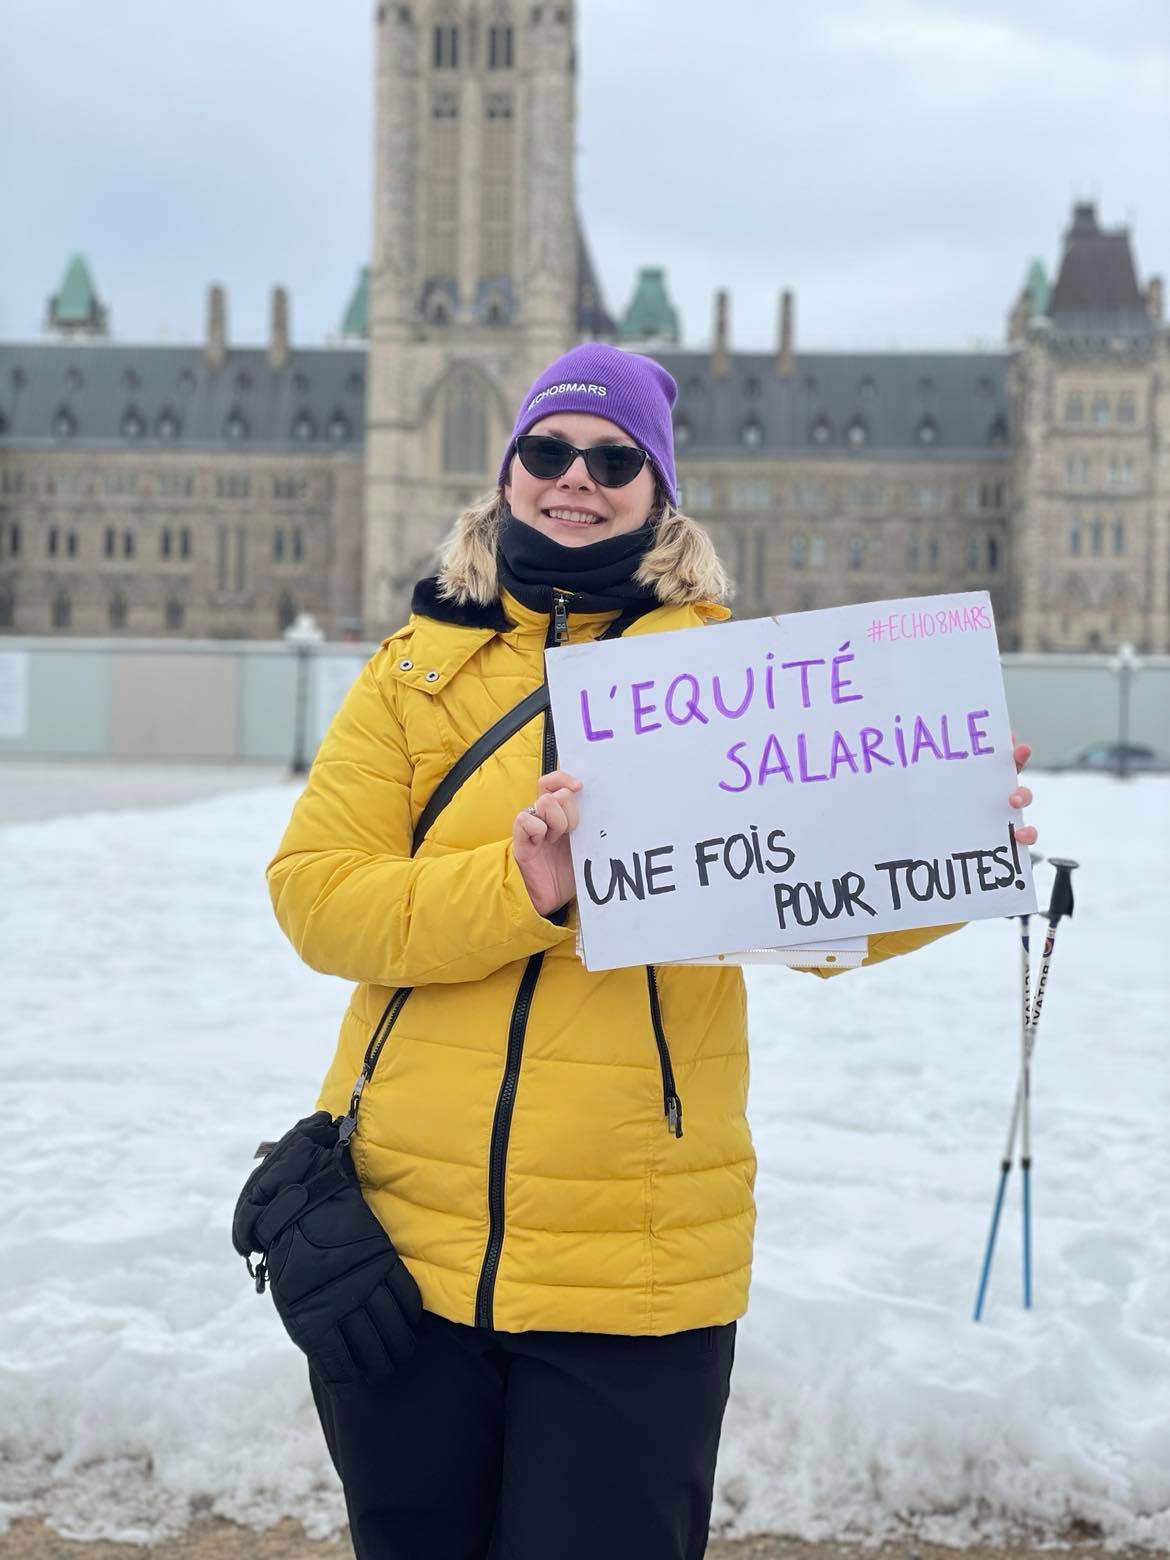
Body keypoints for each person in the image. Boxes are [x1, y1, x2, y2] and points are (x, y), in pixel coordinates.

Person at [267, 343, 1037, 1560]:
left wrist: (951, 836)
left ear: (658, 489)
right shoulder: (411, 679)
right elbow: (319, 901)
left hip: (638, 1260)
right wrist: (516, 889)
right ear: (508, 468)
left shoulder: (739, 685)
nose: (578, 478)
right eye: (550, 451)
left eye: (616, 459)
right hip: (406, 1255)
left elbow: (815, 905)